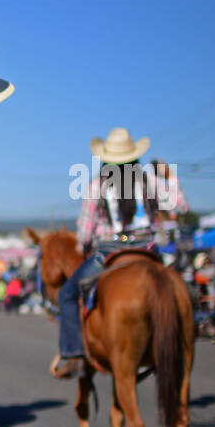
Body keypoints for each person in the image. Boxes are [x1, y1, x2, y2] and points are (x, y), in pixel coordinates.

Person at [51, 127, 189, 379]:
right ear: (134, 157)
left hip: (111, 248)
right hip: (148, 248)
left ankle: (74, 353)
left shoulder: (98, 185)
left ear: (106, 160)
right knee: (182, 290)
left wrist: (85, 246)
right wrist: (171, 178)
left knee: (68, 295)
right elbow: (181, 206)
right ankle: (184, 340)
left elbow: (85, 232)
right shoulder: (149, 180)